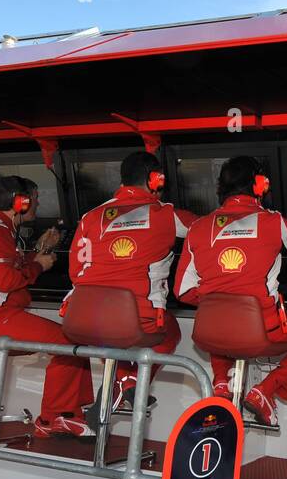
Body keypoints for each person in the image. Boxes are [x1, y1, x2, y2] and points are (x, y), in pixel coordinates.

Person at [173, 155, 287, 426]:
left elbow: (182, 291)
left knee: (220, 321)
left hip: (212, 329)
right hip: (262, 328)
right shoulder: (273, 221)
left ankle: (221, 384)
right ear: (260, 185)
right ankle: (264, 392)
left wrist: (218, 301)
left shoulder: (198, 227)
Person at [0, 175, 94, 437]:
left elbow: (7, 266)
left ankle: (68, 411)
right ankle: (55, 417)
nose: (38, 204)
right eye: (35, 198)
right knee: (67, 343)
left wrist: (37, 251)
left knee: (72, 341)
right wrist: (39, 265)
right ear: (20, 202)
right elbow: (6, 279)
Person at [67, 151, 197, 416]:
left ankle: (122, 381)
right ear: (155, 180)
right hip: (135, 322)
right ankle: (131, 380)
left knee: (112, 337)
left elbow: (75, 273)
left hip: (82, 320)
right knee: (170, 331)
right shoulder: (165, 214)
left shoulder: (89, 217)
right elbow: (209, 230)